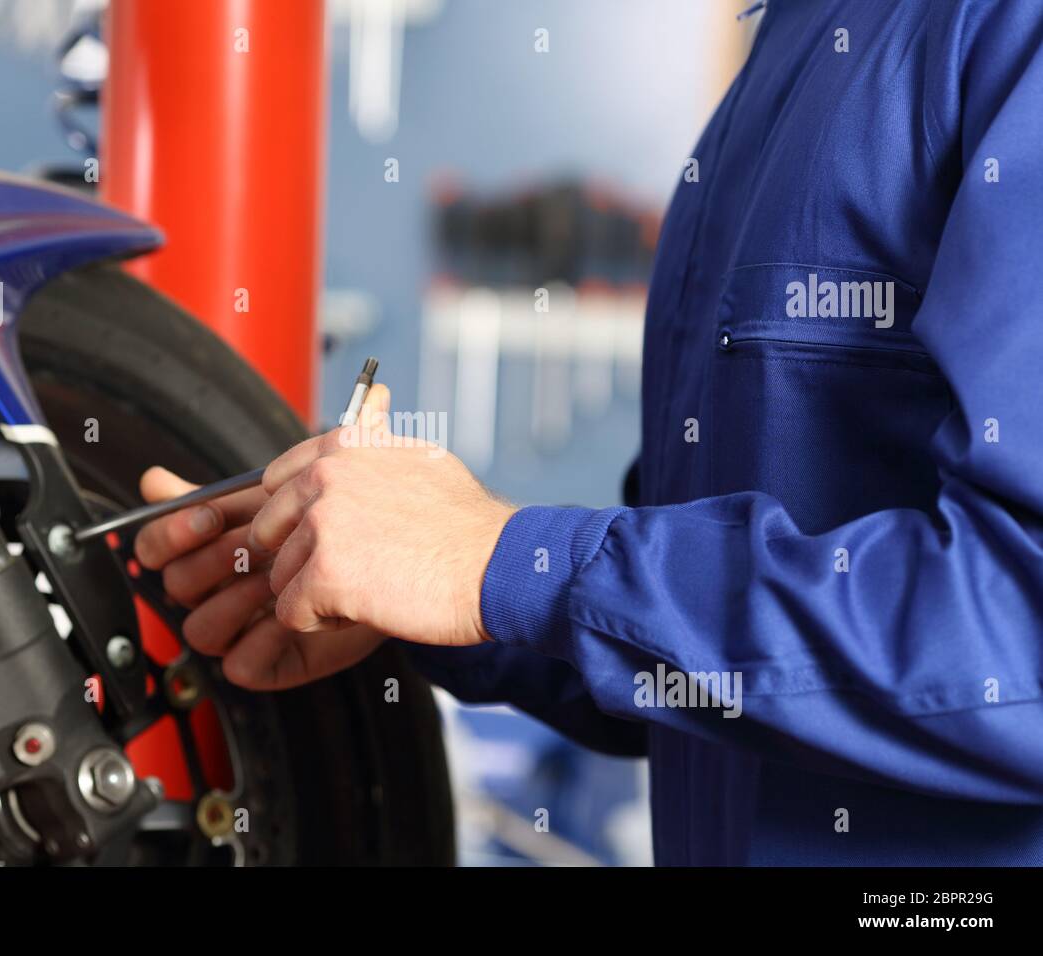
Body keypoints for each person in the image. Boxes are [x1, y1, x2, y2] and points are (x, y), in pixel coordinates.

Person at [134, 0, 1043, 865]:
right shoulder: (793, 42)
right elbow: (711, 684)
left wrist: (508, 560)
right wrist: (410, 588)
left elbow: (1017, 639)